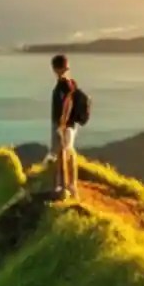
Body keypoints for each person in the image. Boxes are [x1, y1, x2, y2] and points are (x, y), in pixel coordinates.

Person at [49, 54, 80, 199]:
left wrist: (61, 124)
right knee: (69, 152)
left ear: (56, 68)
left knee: (61, 154)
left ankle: (62, 188)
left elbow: (67, 103)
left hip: (63, 125)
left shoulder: (63, 84)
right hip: (71, 125)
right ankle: (71, 186)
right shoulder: (71, 82)